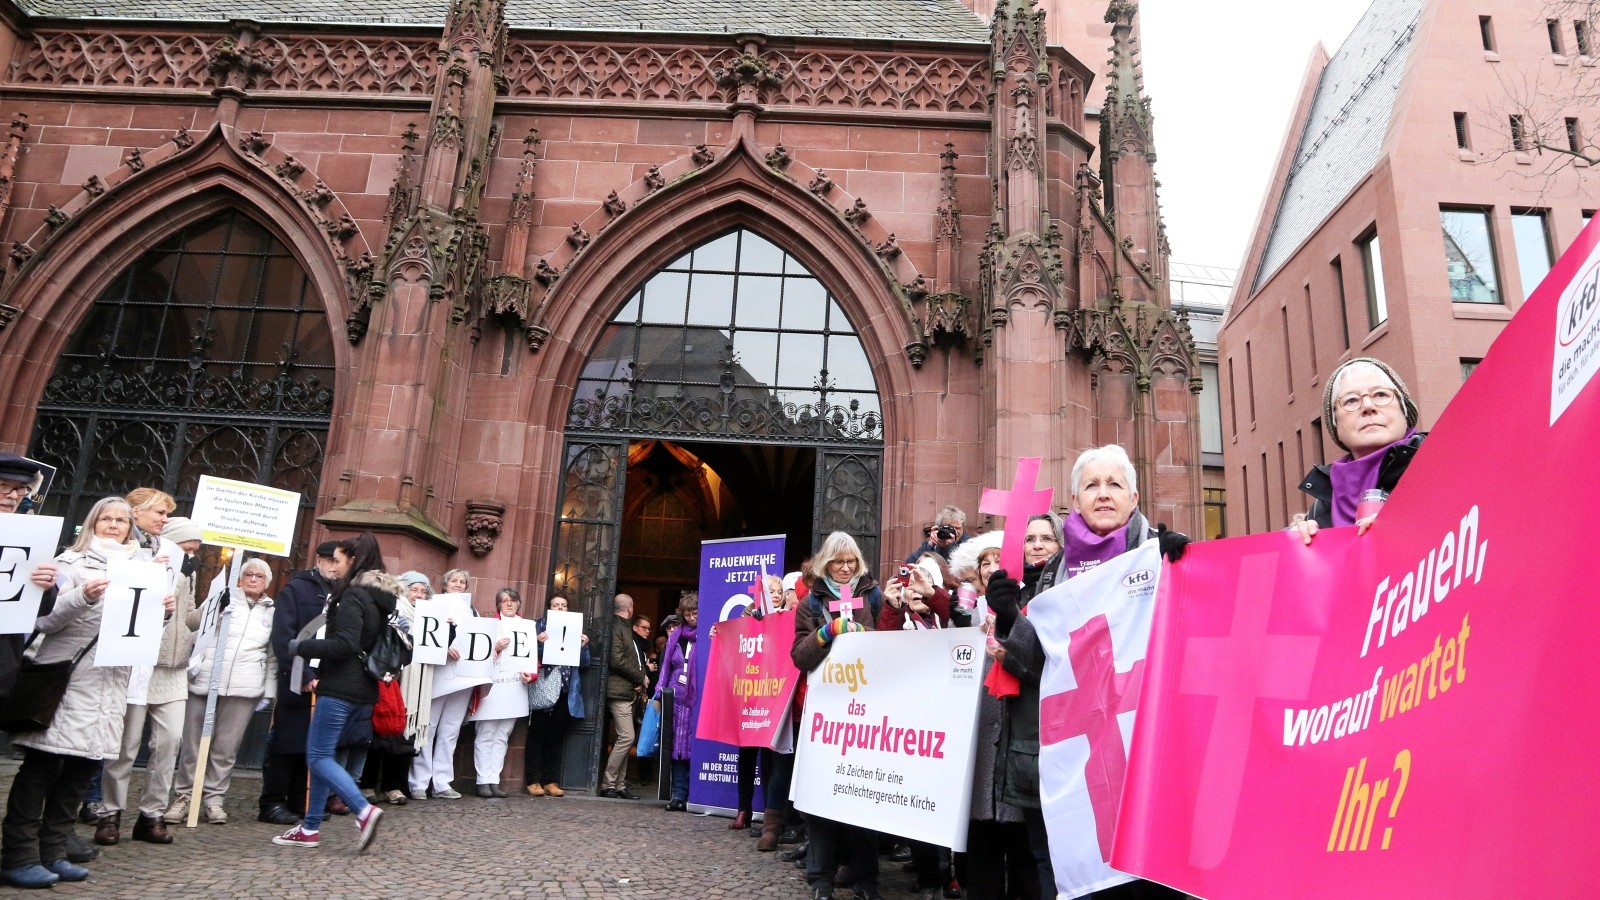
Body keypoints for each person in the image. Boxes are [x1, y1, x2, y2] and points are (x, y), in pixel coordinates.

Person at [987, 445, 1187, 900]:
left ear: (1134, 498)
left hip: (1146, 751)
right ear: (1074, 501)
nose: (1103, 494)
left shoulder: (1161, 554)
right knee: (1076, 877)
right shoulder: (1052, 572)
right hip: (1074, 757)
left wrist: (1185, 570)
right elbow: (1037, 664)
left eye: (1114, 484)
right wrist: (1007, 619)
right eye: (1091, 486)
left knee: (1151, 876)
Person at [0, 497, 174, 889]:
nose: (113, 525)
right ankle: (18, 855)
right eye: (105, 519)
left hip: (109, 686)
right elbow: (43, 619)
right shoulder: (68, 565)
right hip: (66, 681)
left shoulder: (144, 570)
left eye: (121, 520)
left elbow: (140, 635)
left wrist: (161, 612)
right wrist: (83, 596)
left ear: (131, 527)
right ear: (92, 524)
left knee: (78, 775)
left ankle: (54, 851)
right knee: (41, 772)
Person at [272, 532, 396, 852]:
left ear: (353, 561)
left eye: (338, 561)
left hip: (341, 686)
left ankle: (363, 809)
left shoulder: (354, 595)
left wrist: (301, 646)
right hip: (364, 688)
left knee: (318, 756)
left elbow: (345, 644)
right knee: (323, 755)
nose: (334, 566)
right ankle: (310, 828)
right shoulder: (379, 596)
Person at [100, 515, 203, 846]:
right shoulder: (146, 565)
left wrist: (212, 609)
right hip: (144, 666)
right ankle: (110, 812)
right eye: (187, 548)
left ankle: (151, 814)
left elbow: (187, 619)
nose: (192, 555)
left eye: (195, 550)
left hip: (174, 671)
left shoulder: (189, 572)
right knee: (126, 746)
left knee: (170, 742)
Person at [792, 531, 883, 900]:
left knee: (863, 795)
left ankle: (865, 879)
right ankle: (821, 880)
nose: (845, 568)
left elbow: (889, 643)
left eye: (851, 562)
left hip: (864, 710)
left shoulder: (871, 595)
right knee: (821, 798)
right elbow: (799, 656)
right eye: (837, 562)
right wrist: (826, 633)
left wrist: (871, 632)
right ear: (825, 563)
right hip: (825, 714)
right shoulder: (810, 602)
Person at [947, 530, 1034, 900]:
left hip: (1018, 748)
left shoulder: (1032, 608)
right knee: (982, 855)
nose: (992, 568)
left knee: (1024, 858)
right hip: (979, 749)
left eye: (1000, 560)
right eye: (986, 562)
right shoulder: (965, 615)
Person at [167, 558, 277, 827]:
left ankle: (214, 799)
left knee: (226, 748)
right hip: (205, 680)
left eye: (259, 576)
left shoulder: (272, 612)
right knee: (192, 744)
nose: (252, 579)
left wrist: (268, 691)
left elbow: (272, 655)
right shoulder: (223, 598)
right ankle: (184, 797)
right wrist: (215, 610)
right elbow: (192, 625)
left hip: (244, 687)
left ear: (267, 583)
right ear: (239, 578)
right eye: (248, 574)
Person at [1293, 357, 1424, 542]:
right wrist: (1302, 547)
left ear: (1404, 412)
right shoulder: (1321, 509)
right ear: (1335, 425)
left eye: (1381, 395)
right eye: (1351, 400)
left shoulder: (1440, 463)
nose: (1368, 407)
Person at [257, 541, 339, 824]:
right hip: (297, 675)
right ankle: (272, 802)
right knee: (286, 742)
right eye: (329, 560)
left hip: (327, 679)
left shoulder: (343, 593)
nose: (333, 566)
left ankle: (300, 800)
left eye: (338, 561)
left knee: (312, 744)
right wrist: (302, 674)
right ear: (318, 559)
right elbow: (284, 636)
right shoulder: (296, 589)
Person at [360, 570, 428, 806]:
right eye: (414, 589)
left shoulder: (430, 619)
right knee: (380, 729)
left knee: (401, 734)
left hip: (414, 680)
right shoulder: (393, 613)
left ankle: (393, 785)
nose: (418, 595)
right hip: (388, 677)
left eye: (423, 591)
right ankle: (367, 783)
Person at [410, 570, 476, 801]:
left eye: (462, 582)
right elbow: (424, 636)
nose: (458, 585)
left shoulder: (472, 611)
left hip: (463, 676)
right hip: (438, 672)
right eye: (454, 581)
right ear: (445, 585)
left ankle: (442, 781)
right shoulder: (432, 605)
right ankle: (419, 782)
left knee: (450, 730)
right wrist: (443, 647)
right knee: (427, 726)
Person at [523, 593, 590, 797]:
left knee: (556, 737)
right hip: (544, 688)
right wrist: (538, 642)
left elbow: (584, 663)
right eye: (556, 605)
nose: (560, 608)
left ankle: (550, 781)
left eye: (563, 605)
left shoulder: (575, 628)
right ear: (549, 608)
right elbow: (527, 654)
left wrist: (584, 647)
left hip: (565, 691)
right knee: (537, 734)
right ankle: (533, 780)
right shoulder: (538, 627)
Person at [470, 588, 531, 798]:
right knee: (486, 732)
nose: (509, 604)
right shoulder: (489, 625)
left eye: (513, 600)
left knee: (503, 735)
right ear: (498, 605)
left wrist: (530, 675)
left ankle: (494, 779)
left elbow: (532, 660)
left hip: (514, 687)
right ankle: (482, 780)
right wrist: (494, 648)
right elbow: (476, 654)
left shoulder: (526, 627)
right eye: (504, 601)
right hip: (493, 686)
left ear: (518, 604)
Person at [654, 593, 700, 812]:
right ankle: (678, 795)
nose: (691, 617)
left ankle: (695, 794)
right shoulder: (676, 636)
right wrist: (659, 694)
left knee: (693, 746)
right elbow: (665, 668)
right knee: (676, 748)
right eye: (688, 613)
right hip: (675, 698)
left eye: (695, 613)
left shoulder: (709, 635)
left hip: (697, 698)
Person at [599, 593, 645, 799]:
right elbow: (617, 660)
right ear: (630, 608)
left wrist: (636, 681)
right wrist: (640, 676)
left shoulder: (623, 626)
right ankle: (608, 783)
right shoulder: (619, 627)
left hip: (625, 689)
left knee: (623, 737)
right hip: (617, 691)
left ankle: (619, 785)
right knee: (628, 737)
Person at [903, 504, 970, 564]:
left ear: (963, 528)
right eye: (950, 528)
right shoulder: (934, 544)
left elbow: (965, 569)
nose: (955, 532)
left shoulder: (970, 544)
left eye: (957, 528)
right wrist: (929, 545)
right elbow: (909, 565)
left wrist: (951, 546)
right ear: (939, 528)